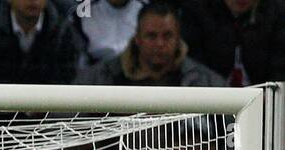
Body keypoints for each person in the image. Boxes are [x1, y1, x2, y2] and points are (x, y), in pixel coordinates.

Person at [75, 1, 225, 87]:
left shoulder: (204, 81)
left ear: (179, 38)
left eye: (167, 36)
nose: (160, 44)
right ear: (137, 39)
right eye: (151, 36)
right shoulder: (102, 78)